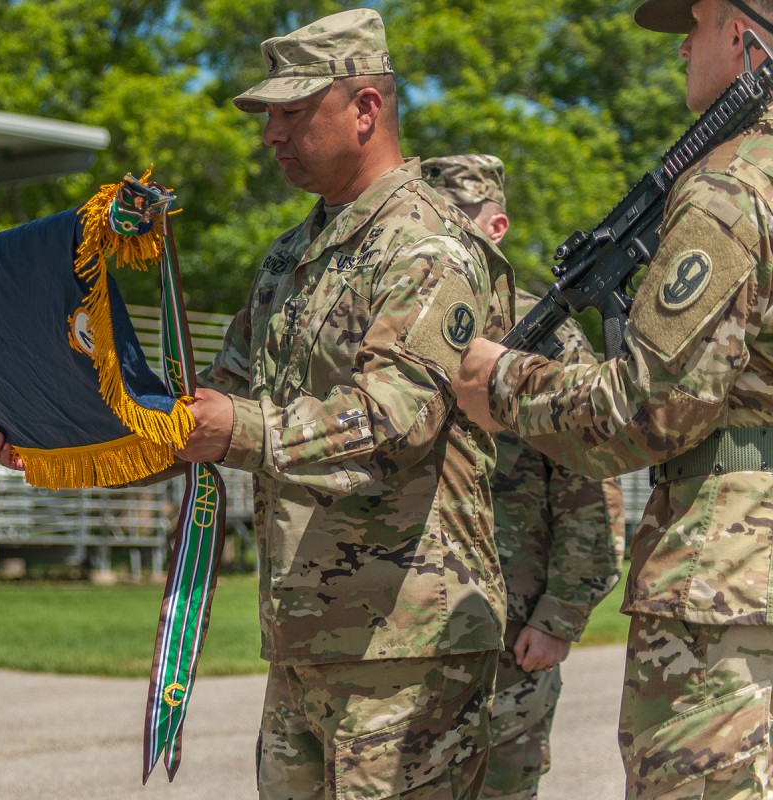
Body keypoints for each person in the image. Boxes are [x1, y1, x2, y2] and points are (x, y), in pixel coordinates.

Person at [137, 9, 512, 798]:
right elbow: (218, 402)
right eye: (269, 114)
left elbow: (393, 417)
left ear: (366, 109)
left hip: (408, 643)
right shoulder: (289, 257)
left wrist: (231, 427)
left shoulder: (429, 244)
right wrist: (80, 444)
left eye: (292, 111)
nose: (271, 133)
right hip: (305, 635)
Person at [453, 1, 773, 796]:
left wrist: (502, 382)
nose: (681, 50)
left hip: (732, 580)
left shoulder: (731, 194)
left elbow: (647, 411)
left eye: (693, 28)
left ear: (739, 38)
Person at [422, 154, 626, 800]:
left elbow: (590, 484)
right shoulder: (400, 326)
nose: (444, 240)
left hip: (510, 637)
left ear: (498, 226)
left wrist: (561, 613)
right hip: (402, 626)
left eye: (461, 223)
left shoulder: (546, 337)